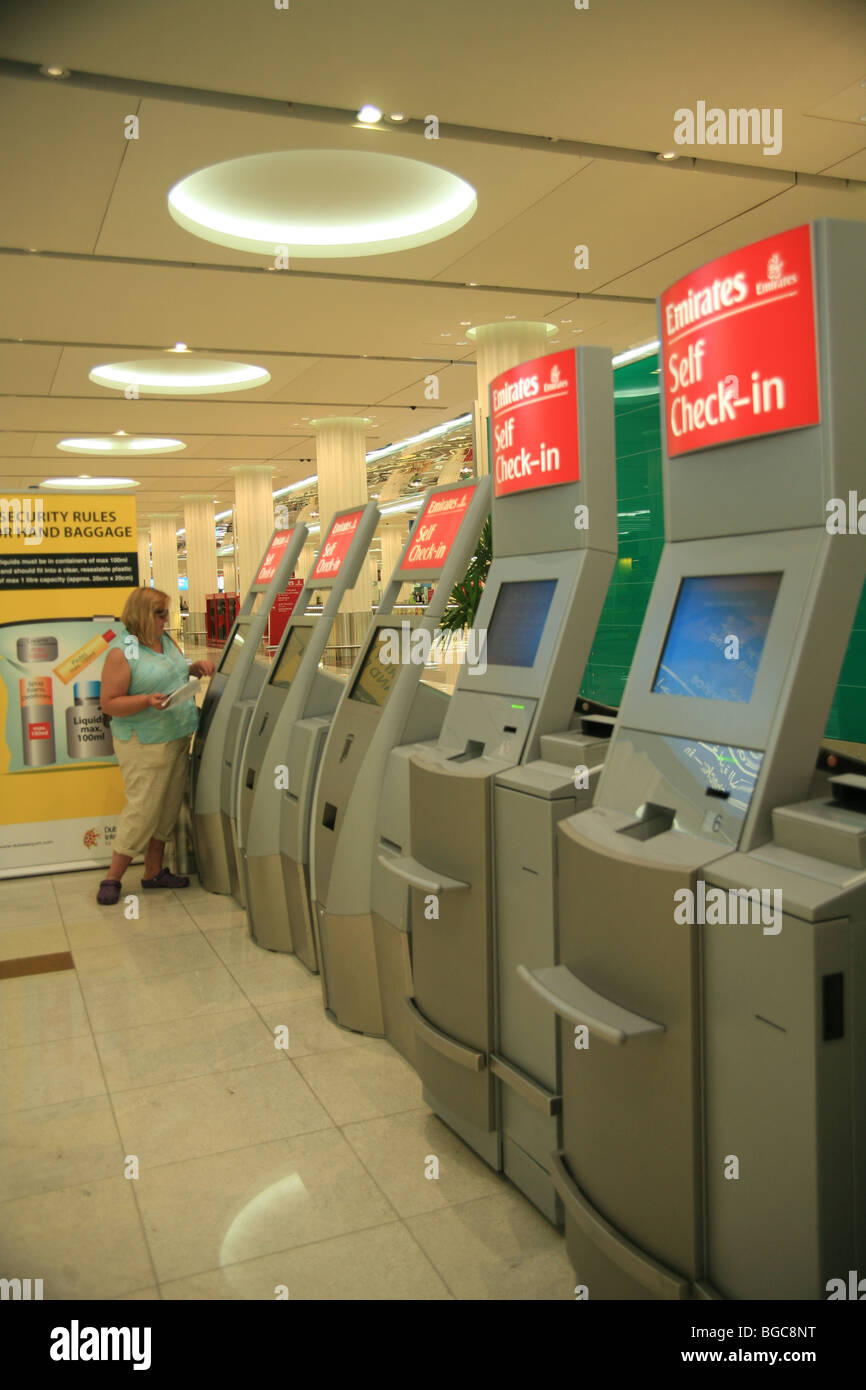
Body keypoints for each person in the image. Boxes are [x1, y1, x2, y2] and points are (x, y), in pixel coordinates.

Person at [96, 588, 215, 905]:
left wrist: (192, 669)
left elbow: (170, 672)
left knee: (166, 808)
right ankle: (112, 878)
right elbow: (109, 703)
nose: (166, 619)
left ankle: (153, 872)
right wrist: (145, 701)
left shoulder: (164, 641)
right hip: (144, 742)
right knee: (143, 809)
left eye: (166, 613)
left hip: (176, 735)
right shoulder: (122, 652)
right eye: (160, 613)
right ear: (142, 615)